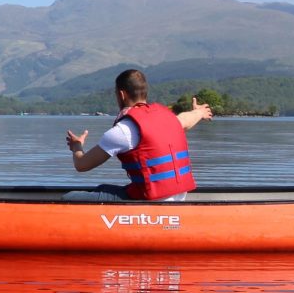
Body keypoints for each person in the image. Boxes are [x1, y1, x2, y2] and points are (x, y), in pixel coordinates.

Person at [62, 68, 212, 202]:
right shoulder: (170, 118)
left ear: (121, 94)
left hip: (150, 201)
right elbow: (186, 119)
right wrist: (200, 112)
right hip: (178, 197)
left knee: (68, 198)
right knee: (103, 188)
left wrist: (77, 146)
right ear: (144, 93)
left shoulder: (123, 131)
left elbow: (82, 165)